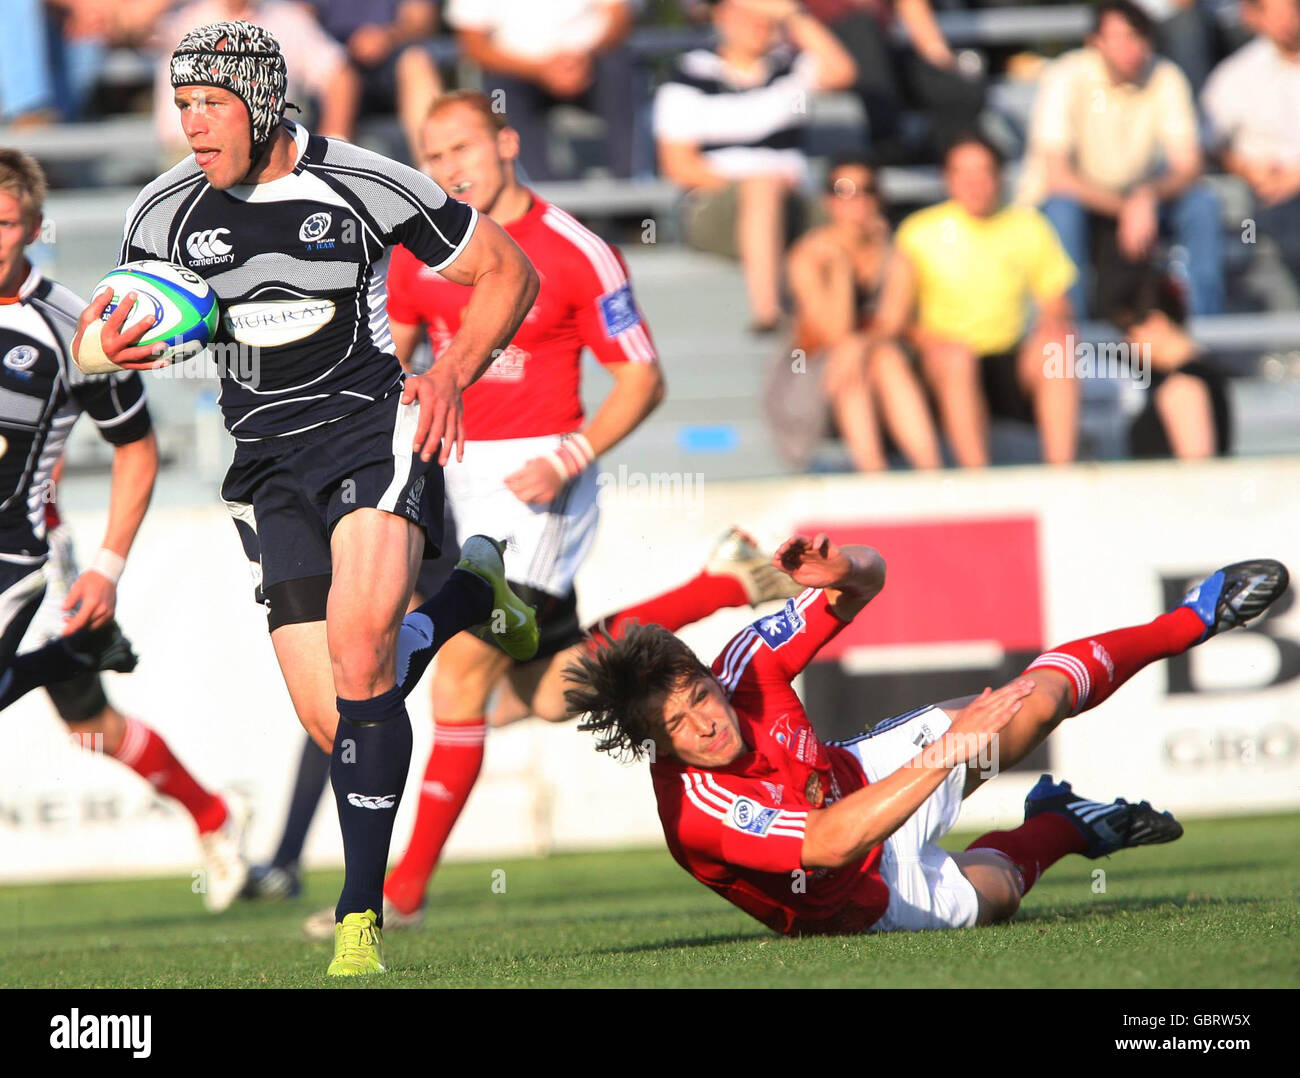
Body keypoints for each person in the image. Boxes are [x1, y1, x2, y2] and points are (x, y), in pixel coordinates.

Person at [73, 20, 541, 976]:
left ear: (260, 97)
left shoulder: (365, 181)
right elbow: (101, 335)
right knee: (338, 721)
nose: (192, 125)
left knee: (362, 650)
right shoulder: (161, 211)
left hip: (374, 428)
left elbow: (508, 271)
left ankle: (360, 921)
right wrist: (103, 348)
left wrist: (453, 368)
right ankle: (469, 595)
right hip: (263, 464)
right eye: (181, 106)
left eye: (209, 104)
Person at [565, 532, 1289, 936]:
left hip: (863, 775)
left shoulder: (746, 664)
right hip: (856, 900)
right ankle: (1065, 825)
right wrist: (949, 749)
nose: (707, 722)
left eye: (700, 696)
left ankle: (1191, 619)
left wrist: (847, 568)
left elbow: (871, 583)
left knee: (1027, 704)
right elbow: (828, 843)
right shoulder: (696, 812)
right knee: (998, 893)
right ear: (656, 746)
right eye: (680, 727)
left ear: (710, 675)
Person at [34, 471, 253, 911]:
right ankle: (213, 814)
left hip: (26, 551)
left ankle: (213, 815)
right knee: (90, 729)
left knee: (92, 726)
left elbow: (43, 448)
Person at [0, 147, 154, 712]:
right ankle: (72, 654)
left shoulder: (76, 328)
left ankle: (72, 653)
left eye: (5, 224)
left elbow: (136, 449)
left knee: (89, 722)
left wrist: (107, 568)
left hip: (10, 554)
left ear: (36, 229)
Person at [873, 133, 1078, 467]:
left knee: (1061, 343)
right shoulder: (919, 231)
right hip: (944, 366)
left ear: (998, 177)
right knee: (956, 359)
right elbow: (894, 319)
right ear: (948, 179)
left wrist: (1051, 324)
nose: (974, 183)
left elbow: (1056, 300)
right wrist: (928, 340)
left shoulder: (1028, 226)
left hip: (1009, 360)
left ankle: (1061, 471)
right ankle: (975, 478)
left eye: (983, 172)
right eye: (963, 173)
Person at [654, 0, 856, 332]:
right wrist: (755, 189)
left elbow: (843, 71)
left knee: (854, 211)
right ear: (721, 16)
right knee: (762, 188)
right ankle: (768, 311)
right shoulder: (687, 76)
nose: (757, 23)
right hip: (716, 208)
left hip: (793, 206)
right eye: (745, 12)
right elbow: (679, 166)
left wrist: (793, 16)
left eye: (764, 13)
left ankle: (840, 340)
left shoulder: (790, 67)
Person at [1020, 0, 1224, 319]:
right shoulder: (1066, 76)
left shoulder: (1165, 75)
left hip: (1136, 199)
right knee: (1063, 212)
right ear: (1095, 42)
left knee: (1202, 205)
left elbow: (1190, 165)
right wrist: (1129, 206)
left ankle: (1203, 335)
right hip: (1079, 202)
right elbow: (1058, 176)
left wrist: (1146, 196)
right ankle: (1070, 336)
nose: (1130, 48)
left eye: (1138, 37)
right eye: (1119, 37)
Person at [773, 153, 941, 471]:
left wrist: (860, 345)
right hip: (813, 371)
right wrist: (840, 268)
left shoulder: (896, 257)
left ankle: (928, 472)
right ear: (828, 201)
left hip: (874, 364)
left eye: (866, 190)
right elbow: (833, 333)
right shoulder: (809, 256)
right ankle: (875, 475)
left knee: (881, 358)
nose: (857, 201)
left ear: (880, 198)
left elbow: (892, 323)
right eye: (844, 191)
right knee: (858, 366)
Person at [447, 0, 641, 181]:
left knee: (619, 71)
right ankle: (538, 198)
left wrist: (584, 59)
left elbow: (620, 16)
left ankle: (631, 193)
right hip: (513, 72)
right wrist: (541, 70)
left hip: (593, 62)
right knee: (500, 96)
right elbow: (474, 44)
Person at [151, 0, 361, 164]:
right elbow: (125, 26)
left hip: (266, 154)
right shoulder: (180, 14)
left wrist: (333, 145)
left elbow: (340, 75)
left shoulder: (286, 19)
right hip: (187, 154)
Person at [802, 0, 987, 164]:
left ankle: (952, 161)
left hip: (878, 54)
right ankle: (889, 147)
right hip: (820, 56)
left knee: (960, 90)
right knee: (861, 28)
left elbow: (918, 19)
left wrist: (942, 66)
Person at [1202, 0, 1300, 289]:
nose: (1288, 20)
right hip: (1266, 196)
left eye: (1292, 9)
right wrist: (1246, 169)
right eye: (1277, 11)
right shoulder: (1237, 75)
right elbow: (1208, 143)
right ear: (1254, 16)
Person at [310, 1, 442, 162]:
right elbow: (298, 18)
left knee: (417, 61)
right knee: (339, 75)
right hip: (332, 60)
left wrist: (387, 36)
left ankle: (431, 168)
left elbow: (421, 19)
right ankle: (329, 172)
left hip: (394, 54)